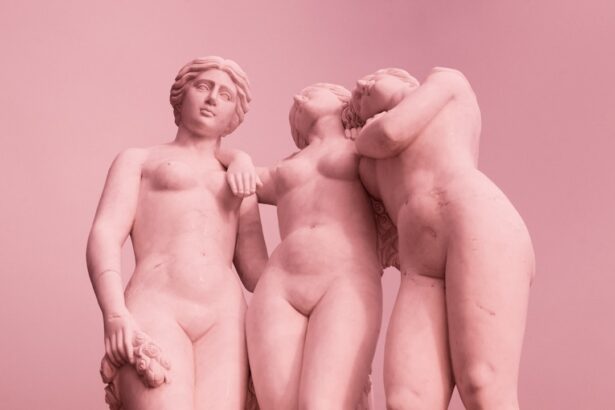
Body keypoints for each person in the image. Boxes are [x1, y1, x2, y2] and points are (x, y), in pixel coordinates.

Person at [346, 67, 535, 410]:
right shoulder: (367, 166)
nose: (361, 86)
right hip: (418, 265)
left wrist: (361, 137)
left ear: (406, 80)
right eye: (357, 99)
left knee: (482, 382)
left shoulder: (446, 83)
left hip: (478, 223)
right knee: (407, 399)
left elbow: (390, 133)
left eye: (373, 79)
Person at [86, 56, 268, 410]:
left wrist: (317, 304)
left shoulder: (241, 177)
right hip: (158, 304)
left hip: (225, 317)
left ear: (234, 116)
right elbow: (105, 234)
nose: (212, 98)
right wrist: (114, 313)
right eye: (203, 87)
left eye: (226, 95)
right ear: (181, 96)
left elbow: (256, 273)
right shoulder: (139, 159)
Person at [234, 83, 383, 409]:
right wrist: (237, 157)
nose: (298, 98)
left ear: (344, 102)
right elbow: (239, 182)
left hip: (344, 280)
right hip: (279, 286)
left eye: (312, 93)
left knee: (322, 403)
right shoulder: (285, 166)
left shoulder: (364, 148)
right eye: (296, 103)